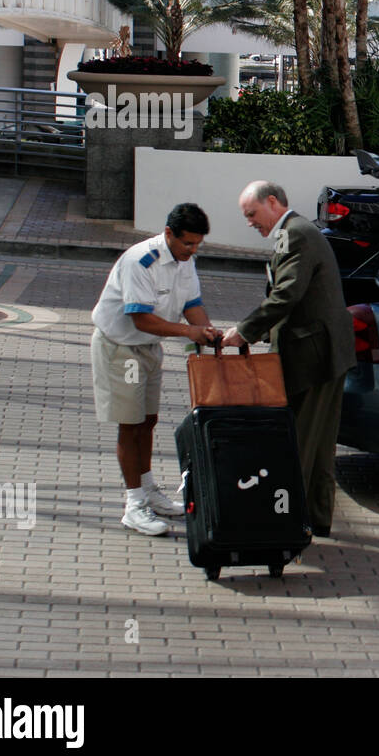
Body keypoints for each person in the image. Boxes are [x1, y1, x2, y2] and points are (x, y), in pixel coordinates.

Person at [221, 182, 355, 537]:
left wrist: (245, 330)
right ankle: (315, 518)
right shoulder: (294, 233)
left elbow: (286, 295)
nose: (250, 222)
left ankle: (286, 522)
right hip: (321, 353)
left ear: (272, 202)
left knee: (300, 443)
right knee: (318, 443)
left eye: (252, 214)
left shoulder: (296, 234)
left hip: (314, 356)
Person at [92, 203, 219, 536]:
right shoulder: (140, 261)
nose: (192, 251)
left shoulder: (185, 262)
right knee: (130, 423)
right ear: (168, 234)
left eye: (197, 244)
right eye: (187, 243)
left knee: (148, 420)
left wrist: (207, 333)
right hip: (122, 349)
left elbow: (192, 306)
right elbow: (141, 318)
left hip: (148, 347)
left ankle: (148, 491)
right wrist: (189, 333)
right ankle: (133, 505)